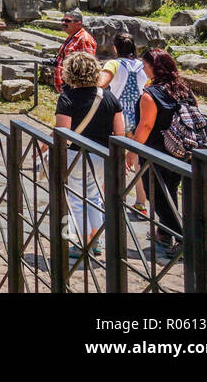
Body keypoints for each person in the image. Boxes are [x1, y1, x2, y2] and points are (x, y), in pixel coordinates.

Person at [131, 48, 207, 257]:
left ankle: (184, 240)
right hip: (183, 150)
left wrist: (132, 151)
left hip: (157, 152)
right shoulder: (185, 89)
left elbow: (145, 126)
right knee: (170, 191)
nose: (144, 69)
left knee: (156, 195)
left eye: (145, 65)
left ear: (153, 68)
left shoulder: (150, 95)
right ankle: (165, 234)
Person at [55, 51, 124, 260]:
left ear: (70, 73)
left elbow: (63, 133)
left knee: (76, 198)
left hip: (76, 154)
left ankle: (82, 242)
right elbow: (120, 132)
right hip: (103, 154)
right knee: (95, 197)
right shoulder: (109, 97)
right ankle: (96, 241)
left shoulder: (67, 98)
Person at [98, 33, 149, 217]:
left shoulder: (113, 64)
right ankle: (141, 203)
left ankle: (110, 197)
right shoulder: (144, 65)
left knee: (113, 157)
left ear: (115, 48)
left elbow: (101, 84)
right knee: (137, 160)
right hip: (139, 115)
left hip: (117, 115)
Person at [53, 10, 98, 92]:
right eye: (62, 20)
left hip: (75, 88)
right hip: (67, 86)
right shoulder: (72, 37)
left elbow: (86, 68)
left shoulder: (84, 40)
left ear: (79, 23)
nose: (63, 23)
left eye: (67, 21)